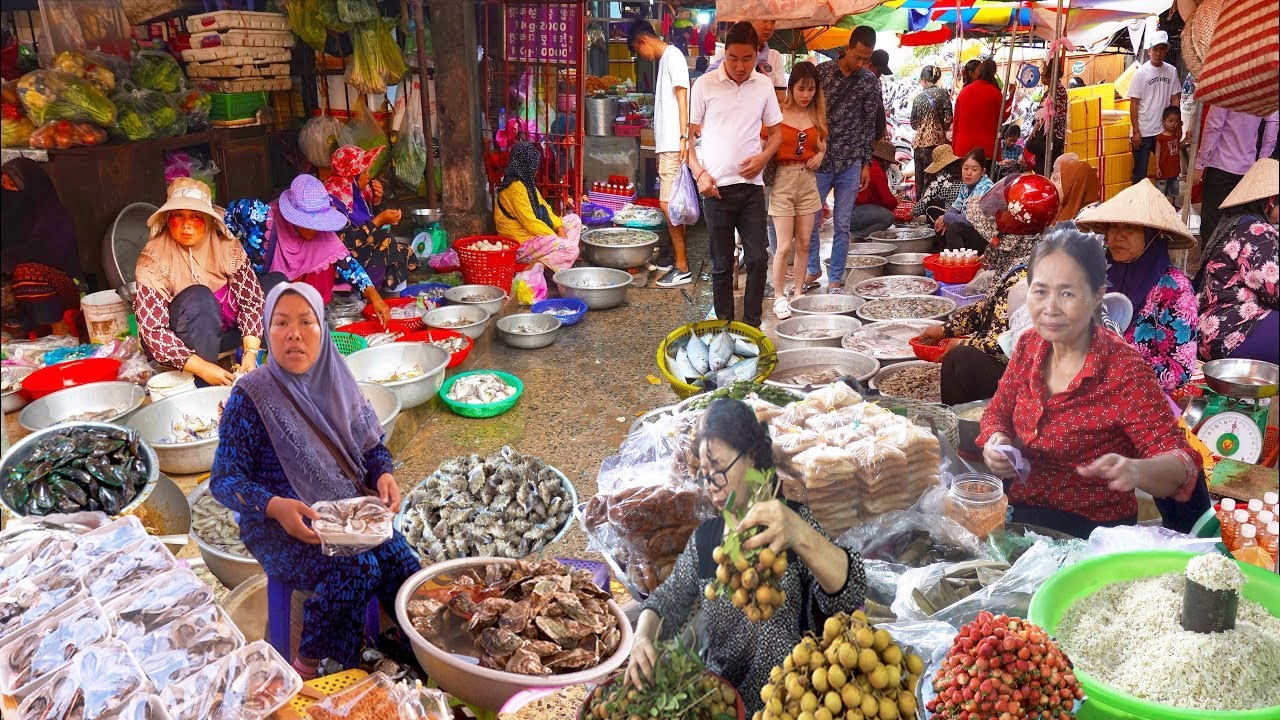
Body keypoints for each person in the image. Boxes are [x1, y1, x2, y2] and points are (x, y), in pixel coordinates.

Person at [210, 282, 420, 678]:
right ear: (267, 332)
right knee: (357, 567)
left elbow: (370, 448)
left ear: (323, 330)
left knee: (399, 557)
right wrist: (275, 507)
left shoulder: (336, 377)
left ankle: (414, 645)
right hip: (280, 528)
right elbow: (224, 479)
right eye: (281, 323)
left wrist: (384, 474)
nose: (294, 334)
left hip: (345, 511)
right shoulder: (250, 397)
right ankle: (312, 663)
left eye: (306, 322)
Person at [626, 398, 865, 717]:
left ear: (751, 457)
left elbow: (850, 593)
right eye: (705, 475)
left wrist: (799, 533)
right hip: (718, 702)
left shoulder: (790, 522)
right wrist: (642, 637)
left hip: (789, 702)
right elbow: (666, 601)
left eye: (719, 469)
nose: (712, 486)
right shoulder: (707, 539)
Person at [979, 224, 1207, 538]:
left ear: (1097, 296)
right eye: (1040, 291)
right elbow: (997, 412)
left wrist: (1135, 470)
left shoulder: (1124, 371)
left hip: (1092, 531)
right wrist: (997, 441)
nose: (1050, 308)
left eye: (1067, 293)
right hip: (1023, 512)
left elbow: (1181, 463)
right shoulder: (1030, 345)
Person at [926, 175, 1060, 405]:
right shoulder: (1022, 251)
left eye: (1002, 211)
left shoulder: (1027, 274)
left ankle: (963, 421)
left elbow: (1006, 342)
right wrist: (946, 329)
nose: (995, 216)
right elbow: (991, 307)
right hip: (1015, 356)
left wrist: (962, 343)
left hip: (1030, 375)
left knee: (959, 359)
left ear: (1016, 221)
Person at [688, 22, 782, 328]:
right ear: (724, 53)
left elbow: (777, 134)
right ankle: (725, 328)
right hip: (716, 190)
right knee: (721, 265)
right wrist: (699, 173)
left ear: (757, 54)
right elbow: (686, 138)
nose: (740, 66)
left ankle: (751, 325)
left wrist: (763, 158)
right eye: (733, 58)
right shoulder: (704, 85)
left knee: (758, 259)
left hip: (752, 188)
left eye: (747, 58)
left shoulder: (763, 85)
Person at [135, 178, 271, 387]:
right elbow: (153, 331)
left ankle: (267, 369)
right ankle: (202, 387)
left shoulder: (226, 246)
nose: (186, 225)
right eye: (178, 215)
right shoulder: (154, 257)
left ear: (208, 220)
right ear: (168, 219)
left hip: (224, 332)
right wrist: (204, 368)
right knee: (199, 298)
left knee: (277, 285)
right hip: (182, 343)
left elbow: (251, 301)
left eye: (195, 216)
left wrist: (250, 352)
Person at [1076, 179, 1198, 392]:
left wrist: (1119, 365)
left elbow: (1178, 369)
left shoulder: (1175, 289)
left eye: (1130, 228)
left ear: (1152, 235)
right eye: (1113, 227)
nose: (1117, 236)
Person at [225, 175, 391, 324]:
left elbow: (348, 266)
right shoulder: (258, 216)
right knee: (277, 283)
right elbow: (232, 211)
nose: (315, 228)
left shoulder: (322, 234)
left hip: (292, 292)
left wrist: (375, 297)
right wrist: (229, 245)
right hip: (255, 288)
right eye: (309, 224)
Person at [807, 25, 886, 295]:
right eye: (858, 57)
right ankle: (812, 268)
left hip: (851, 162)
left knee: (842, 224)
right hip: (820, 159)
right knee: (811, 219)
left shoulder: (870, 82)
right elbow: (808, 112)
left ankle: (836, 280)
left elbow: (869, 126)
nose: (862, 63)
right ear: (847, 48)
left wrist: (866, 163)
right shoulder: (822, 73)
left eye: (867, 59)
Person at [1196, 158, 1278, 363]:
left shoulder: (1237, 225)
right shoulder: (1257, 231)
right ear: (1271, 200)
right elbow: (1275, 291)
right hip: (1233, 333)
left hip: (1210, 332)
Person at [629, 22, 692, 287]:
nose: (641, 57)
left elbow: (682, 97)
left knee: (669, 205)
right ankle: (675, 255)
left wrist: (683, 137)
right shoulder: (667, 58)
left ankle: (682, 266)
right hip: (668, 143)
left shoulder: (673, 56)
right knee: (673, 204)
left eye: (638, 51)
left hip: (674, 143)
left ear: (643, 41)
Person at [768, 62, 827, 320]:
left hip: (808, 180)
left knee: (804, 242)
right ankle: (778, 295)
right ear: (791, 87)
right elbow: (764, 142)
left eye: (811, 89)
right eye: (801, 89)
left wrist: (820, 156)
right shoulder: (777, 112)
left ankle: (799, 292)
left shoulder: (816, 114)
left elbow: (822, 143)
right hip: (782, 180)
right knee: (783, 245)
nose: (806, 95)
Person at [1, 157, 81, 336]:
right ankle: (16, 335)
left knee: (27, 272)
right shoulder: (9, 217)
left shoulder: (54, 216)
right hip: (24, 289)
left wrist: (6, 260)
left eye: (12, 184)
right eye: (3, 183)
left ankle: (59, 331)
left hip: (67, 287)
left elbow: (42, 253)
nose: (6, 189)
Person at [492, 141, 582, 300]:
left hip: (535, 236)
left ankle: (553, 263)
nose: (535, 170)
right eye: (534, 165)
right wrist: (558, 238)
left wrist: (559, 228)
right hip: (520, 246)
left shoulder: (527, 185)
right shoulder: (515, 188)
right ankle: (537, 265)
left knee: (574, 220)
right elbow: (531, 223)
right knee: (572, 249)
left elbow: (545, 208)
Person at [324, 145, 418, 295]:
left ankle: (396, 299)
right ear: (351, 176)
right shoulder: (334, 200)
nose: (367, 176)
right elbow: (347, 241)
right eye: (363, 172)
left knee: (403, 251)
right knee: (386, 240)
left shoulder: (356, 193)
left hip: (363, 249)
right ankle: (372, 295)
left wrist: (377, 202)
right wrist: (379, 220)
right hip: (343, 260)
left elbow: (368, 222)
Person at [1193, 106, 1278, 240]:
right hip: (1247, 168)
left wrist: (1200, 163)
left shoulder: (1224, 93)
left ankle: (1212, 253)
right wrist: (1263, 158)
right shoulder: (1260, 95)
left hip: (1220, 166)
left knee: (1213, 223)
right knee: (1239, 223)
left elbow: (1213, 127)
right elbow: (1273, 120)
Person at [1127, 31, 1180, 186]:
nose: (1158, 53)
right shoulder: (1140, 73)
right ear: (1149, 50)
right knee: (1140, 173)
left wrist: (1177, 124)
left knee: (1166, 169)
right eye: (1155, 49)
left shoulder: (1171, 71)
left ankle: (1164, 198)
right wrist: (1136, 131)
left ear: (1166, 51)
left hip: (1164, 130)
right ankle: (1138, 200)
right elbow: (1134, 103)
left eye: (1162, 49)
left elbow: (1175, 98)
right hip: (1144, 131)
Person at [937, 149, 994, 251]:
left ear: (983, 171)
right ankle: (946, 255)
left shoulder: (985, 187)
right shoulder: (966, 186)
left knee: (955, 227)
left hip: (985, 235)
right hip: (970, 229)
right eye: (966, 168)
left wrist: (946, 217)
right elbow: (955, 207)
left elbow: (971, 219)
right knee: (940, 225)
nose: (969, 173)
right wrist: (944, 220)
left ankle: (960, 259)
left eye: (974, 169)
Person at [911, 65, 952, 199]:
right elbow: (948, 118)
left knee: (919, 179)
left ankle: (919, 205)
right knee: (934, 179)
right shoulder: (943, 93)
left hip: (919, 144)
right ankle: (932, 205)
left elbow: (913, 123)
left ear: (923, 80)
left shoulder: (917, 98)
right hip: (937, 143)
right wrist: (941, 128)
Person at [952, 60, 1005, 158]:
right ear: (993, 73)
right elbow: (1002, 117)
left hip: (963, 146)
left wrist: (954, 147)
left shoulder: (963, 92)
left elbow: (956, 123)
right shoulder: (996, 93)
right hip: (987, 147)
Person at [849, 139, 898, 239]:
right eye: (889, 163)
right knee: (888, 217)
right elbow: (889, 202)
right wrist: (896, 201)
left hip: (847, 211)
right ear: (884, 161)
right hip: (853, 213)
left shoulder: (866, 165)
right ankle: (857, 235)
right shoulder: (876, 171)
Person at [912, 145, 965, 223]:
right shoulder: (962, 173)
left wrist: (912, 212)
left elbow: (924, 201)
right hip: (961, 214)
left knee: (931, 204)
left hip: (947, 215)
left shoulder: (940, 179)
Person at [1051, 154, 1100, 224]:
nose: (1052, 183)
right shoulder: (1061, 208)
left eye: (1056, 179)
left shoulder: (1090, 218)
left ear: (1074, 185)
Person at [1153, 107, 1182, 205]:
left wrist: (1187, 138)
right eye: (1171, 121)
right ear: (1164, 122)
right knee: (1160, 194)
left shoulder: (1176, 136)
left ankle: (1171, 210)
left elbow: (1179, 147)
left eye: (1176, 121)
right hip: (1163, 172)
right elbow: (1157, 153)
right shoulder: (1160, 138)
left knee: (1172, 194)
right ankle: (1160, 210)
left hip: (1174, 171)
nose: (1173, 124)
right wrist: (1157, 167)